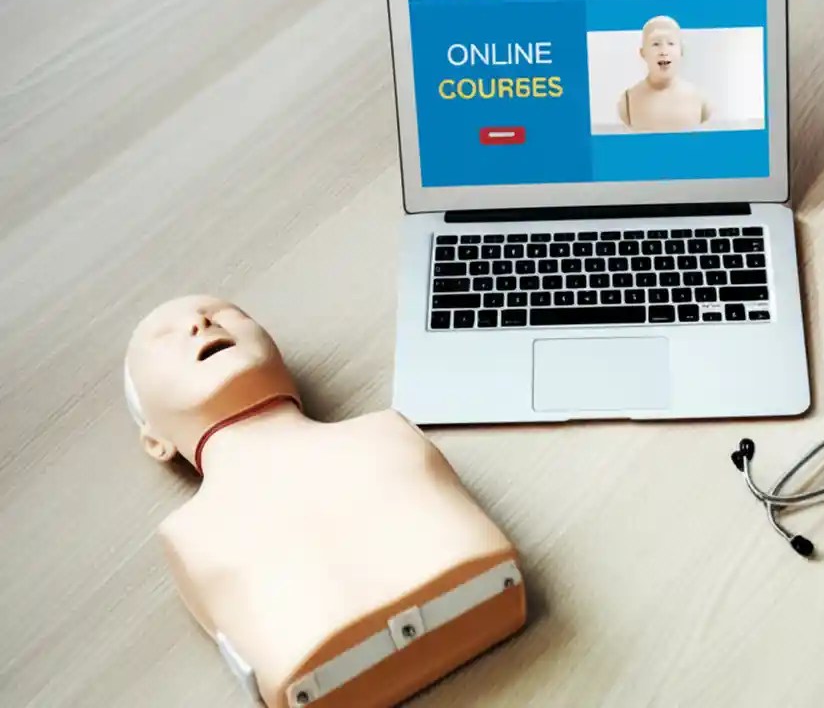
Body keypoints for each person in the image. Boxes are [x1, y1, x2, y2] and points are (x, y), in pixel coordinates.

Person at [125, 295, 525, 708]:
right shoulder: (189, 536)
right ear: (155, 441)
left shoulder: (387, 432)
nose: (200, 324)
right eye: (163, 338)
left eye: (230, 314)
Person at [617, 16, 711, 132]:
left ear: (681, 50)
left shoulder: (701, 99)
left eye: (671, 43)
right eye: (656, 44)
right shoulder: (627, 101)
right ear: (642, 52)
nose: (663, 51)